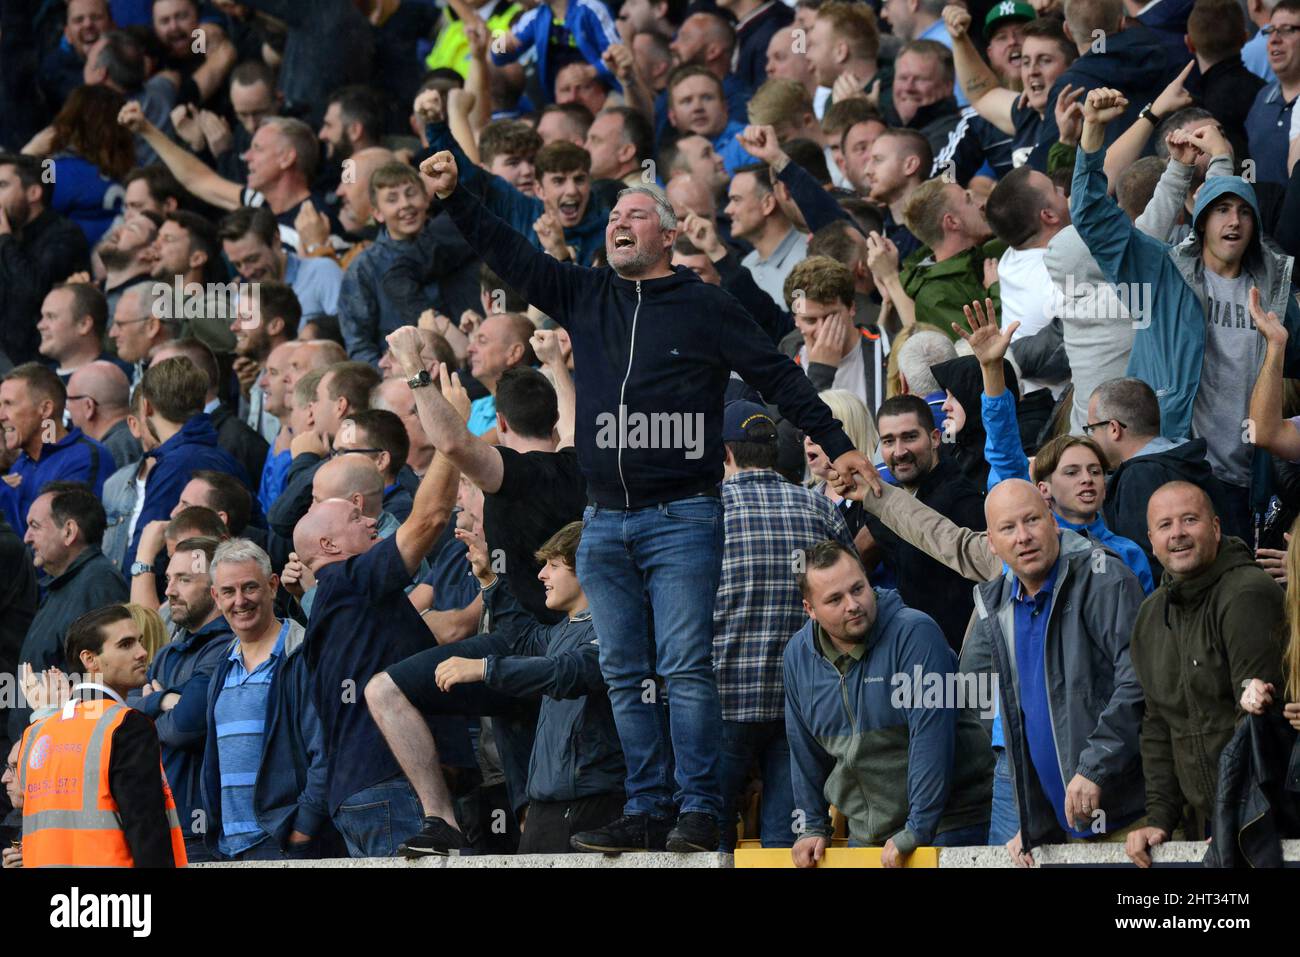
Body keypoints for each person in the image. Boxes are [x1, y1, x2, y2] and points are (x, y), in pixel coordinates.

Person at [420, 148, 878, 853]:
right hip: (603, 520)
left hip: (684, 516)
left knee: (686, 666)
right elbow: (509, 252)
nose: (618, 224)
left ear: (668, 234)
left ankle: (699, 809)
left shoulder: (705, 305)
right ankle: (646, 803)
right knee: (625, 670)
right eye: (614, 218)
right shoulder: (585, 292)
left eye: (636, 214)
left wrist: (836, 442)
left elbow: (779, 378)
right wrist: (455, 197)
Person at [1071, 86, 1300, 539]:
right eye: (1219, 211)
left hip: (1242, 480)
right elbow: (1092, 214)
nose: (1232, 221)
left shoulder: (1274, 291)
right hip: (1171, 468)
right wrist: (1093, 131)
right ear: (1198, 220)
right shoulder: (1163, 273)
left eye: (1242, 212)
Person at [292, 428, 471, 857]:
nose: (372, 519)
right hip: (389, 788)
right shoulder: (348, 581)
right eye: (356, 519)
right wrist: (451, 436)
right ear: (329, 545)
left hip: (364, 793)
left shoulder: (341, 602)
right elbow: (430, 518)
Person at [962, 479, 1147, 864]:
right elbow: (1019, 717)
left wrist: (1094, 767)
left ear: (1054, 522)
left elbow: (1139, 682)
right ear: (991, 543)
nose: (1023, 537)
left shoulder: (1104, 579)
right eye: (1008, 528)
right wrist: (1033, 822)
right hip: (1062, 829)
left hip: (1132, 822)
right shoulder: (999, 607)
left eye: (1032, 520)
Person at [785, 540, 992, 867]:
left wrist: (918, 829)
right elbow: (802, 747)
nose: (853, 604)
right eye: (835, 599)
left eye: (858, 588)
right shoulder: (798, 656)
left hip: (950, 823)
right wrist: (811, 824)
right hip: (867, 834)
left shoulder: (915, 632)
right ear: (809, 610)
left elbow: (931, 739)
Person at [713, 401, 855, 850]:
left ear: (726, 453)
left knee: (709, 837)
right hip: (805, 701)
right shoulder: (818, 509)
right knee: (790, 845)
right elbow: (853, 586)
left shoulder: (705, 513)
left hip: (722, 698)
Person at [1125, 482, 1287, 865]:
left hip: (1266, 827)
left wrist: (1232, 816)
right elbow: (1157, 725)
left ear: (1215, 528)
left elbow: (1255, 722)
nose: (1177, 533)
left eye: (1189, 520)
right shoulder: (1150, 615)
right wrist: (1160, 819)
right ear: (1151, 540)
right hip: (1212, 827)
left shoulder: (1247, 593)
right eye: (1164, 525)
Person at [17, 605, 187, 867]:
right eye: (125, 645)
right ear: (89, 659)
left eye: (140, 642)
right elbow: (147, 833)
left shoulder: (36, 734)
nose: (142, 653)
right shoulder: (126, 725)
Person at [201, 538, 327, 861]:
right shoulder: (222, 668)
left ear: (273, 586)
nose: (240, 601)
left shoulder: (302, 655)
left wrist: (303, 827)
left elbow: (325, 750)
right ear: (216, 597)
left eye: (250, 588)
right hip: (230, 848)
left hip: (283, 844)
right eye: (228, 592)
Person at [863, 395, 987, 650]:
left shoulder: (963, 501)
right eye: (888, 441)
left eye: (909, 437)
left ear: (934, 438)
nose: (899, 452)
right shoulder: (886, 501)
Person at [136, 535, 232, 862]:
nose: (169, 590)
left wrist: (152, 705)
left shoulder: (227, 647)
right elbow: (127, 717)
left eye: (184, 579)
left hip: (203, 829)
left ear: (217, 588)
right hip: (160, 822)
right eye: (168, 579)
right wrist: (162, 701)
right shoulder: (166, 654)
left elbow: (186, 726)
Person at [11, 481, 127, 740]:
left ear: (69, 531)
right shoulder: (62, 585)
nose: (26, 537)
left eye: (35, 526)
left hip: (64, 750)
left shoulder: (99, 583)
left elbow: (100, 682)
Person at [337, 161, 479, 366]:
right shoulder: (363, 268)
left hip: (472, 361)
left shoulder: (457, 239)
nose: (405, 205)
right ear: (377, 213)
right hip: (406, 377)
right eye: (392, 199)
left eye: (411, 193)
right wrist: (388, 380)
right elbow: (359, 343)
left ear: (426, 198)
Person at [1090, 377, 1233, 574]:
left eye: (1092, 429)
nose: (1090, 438)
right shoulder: (1186, 460)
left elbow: (1146, 566)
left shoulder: (1138, 477)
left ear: (1114, 429)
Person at [124, 356, 250, 569]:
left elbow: (149, 549)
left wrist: (135, 577)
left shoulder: (176, 465)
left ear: (146, 407)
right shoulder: (218, 454)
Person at [1, 362, 114, 537]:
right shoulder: (20, 465)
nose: (1, 415)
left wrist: (3, 492)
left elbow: (59, 540)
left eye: (9, 404)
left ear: (45, 409)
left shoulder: (85, 458)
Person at [0, 152, 91, 367]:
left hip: (43, 367)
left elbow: (32, 291)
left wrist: (4, 239)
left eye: (2, 185)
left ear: (33, 192)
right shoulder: (11, 236)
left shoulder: (65, 235)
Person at [218, 206, 342, 332]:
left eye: (252, 259)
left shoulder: (322, 272)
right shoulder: (242, 298)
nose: (246, 272)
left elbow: (347, 330)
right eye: (237, 265)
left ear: (276, 240)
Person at [726, 164, 808, 308]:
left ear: (768, 204)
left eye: (736, 200)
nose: (728, 210)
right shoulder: (747, 265)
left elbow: (803, 324)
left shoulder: (809, 259)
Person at [1244, 0, 1300, 185]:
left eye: (1287, 29)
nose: (1274, 39)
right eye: (1270, 31)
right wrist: (1246, 192)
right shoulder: (1261, 98)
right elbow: (1248, 159)